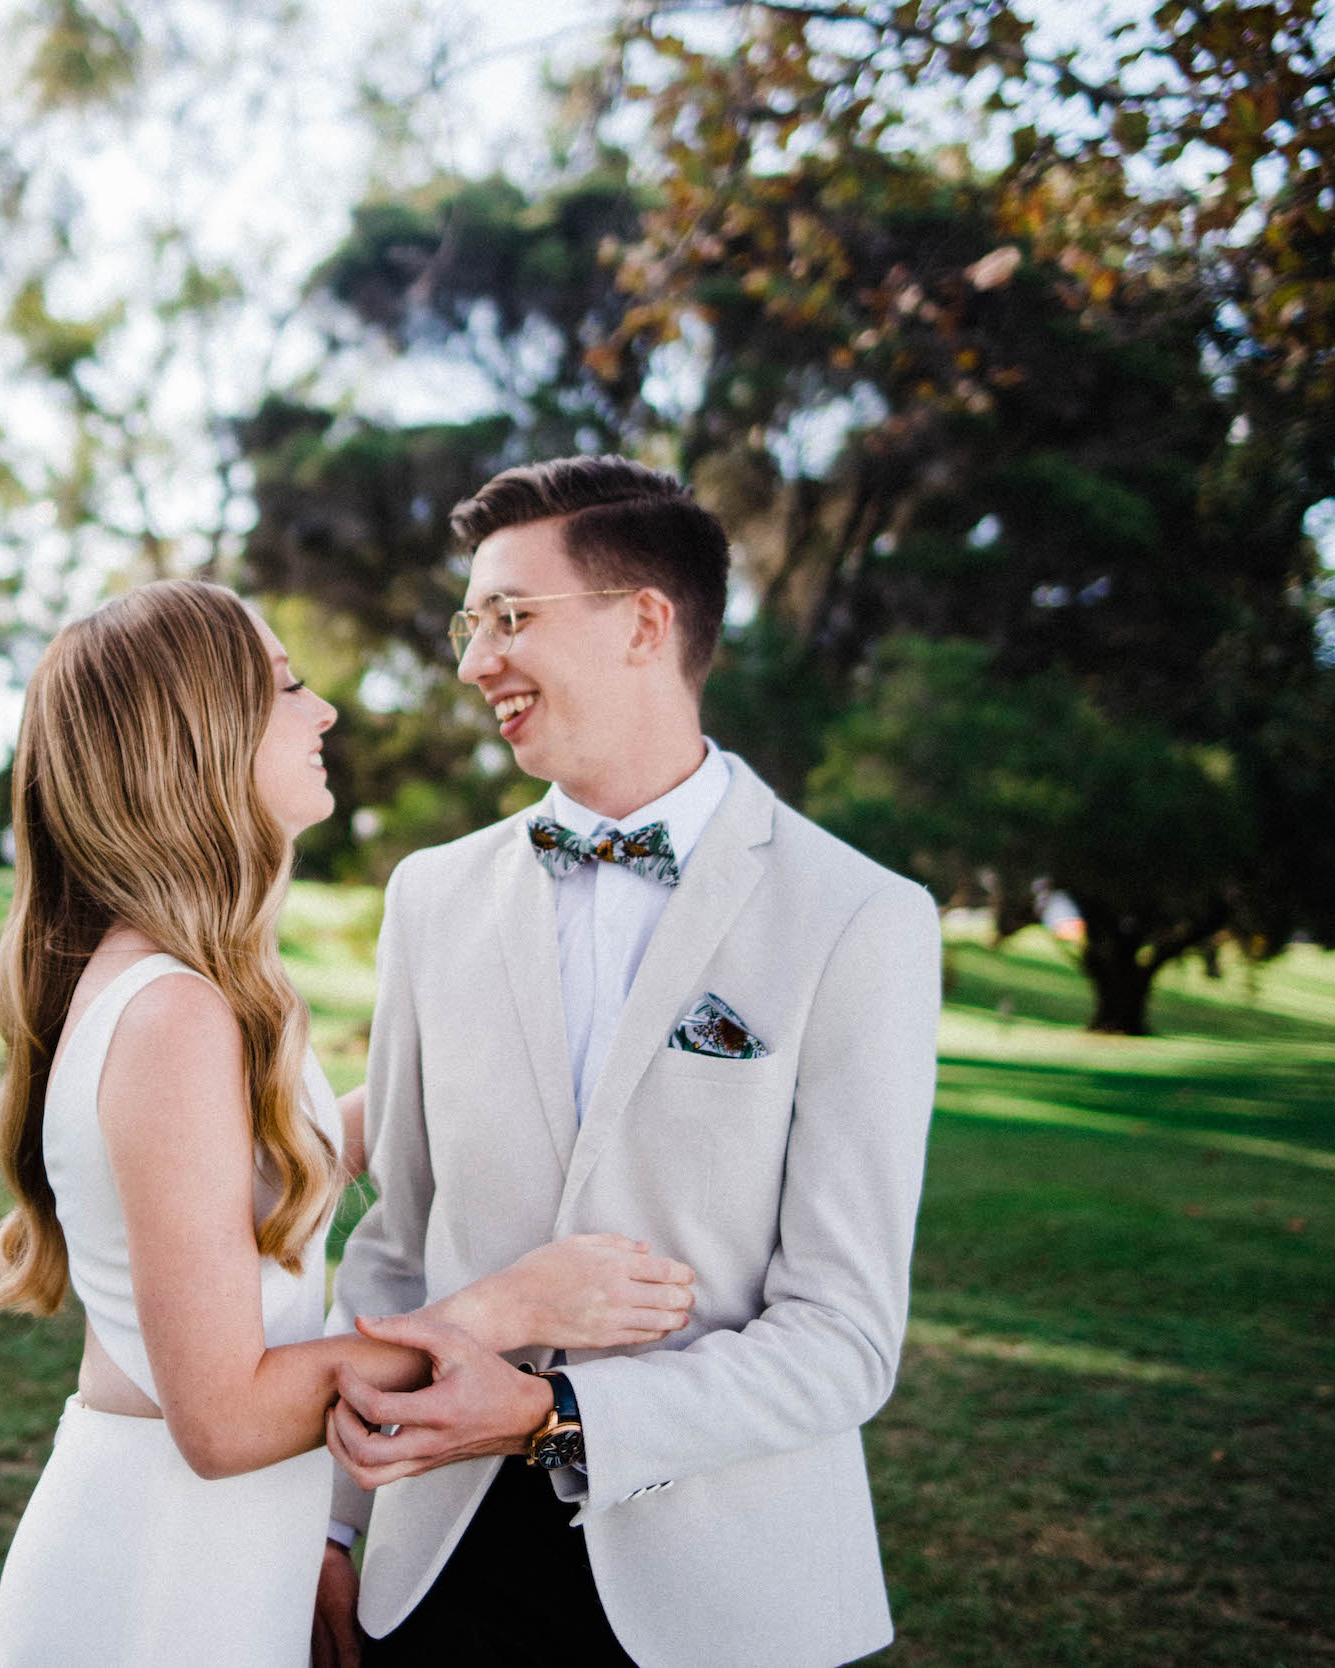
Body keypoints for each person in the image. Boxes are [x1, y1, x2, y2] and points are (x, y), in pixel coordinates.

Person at [0, 579, 700, 1667]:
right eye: (285, 686)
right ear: (196, 739)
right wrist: (512, 1305)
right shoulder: (174, 1012)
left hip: (217, 1542)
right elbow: (222, 1421)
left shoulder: (178, 986)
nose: (324, 713)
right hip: (166, 1565)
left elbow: (271, 1166)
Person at [312, 459, 943, 1668]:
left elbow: (845, 1334)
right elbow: (393, 1244)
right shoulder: (430, 898)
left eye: (508, 617)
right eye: (469, 623)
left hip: (722, 1594)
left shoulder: (860, 917)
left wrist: (559, 1416)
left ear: (645, 622)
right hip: (432, 1573)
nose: (472, 661)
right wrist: (335, 1531)